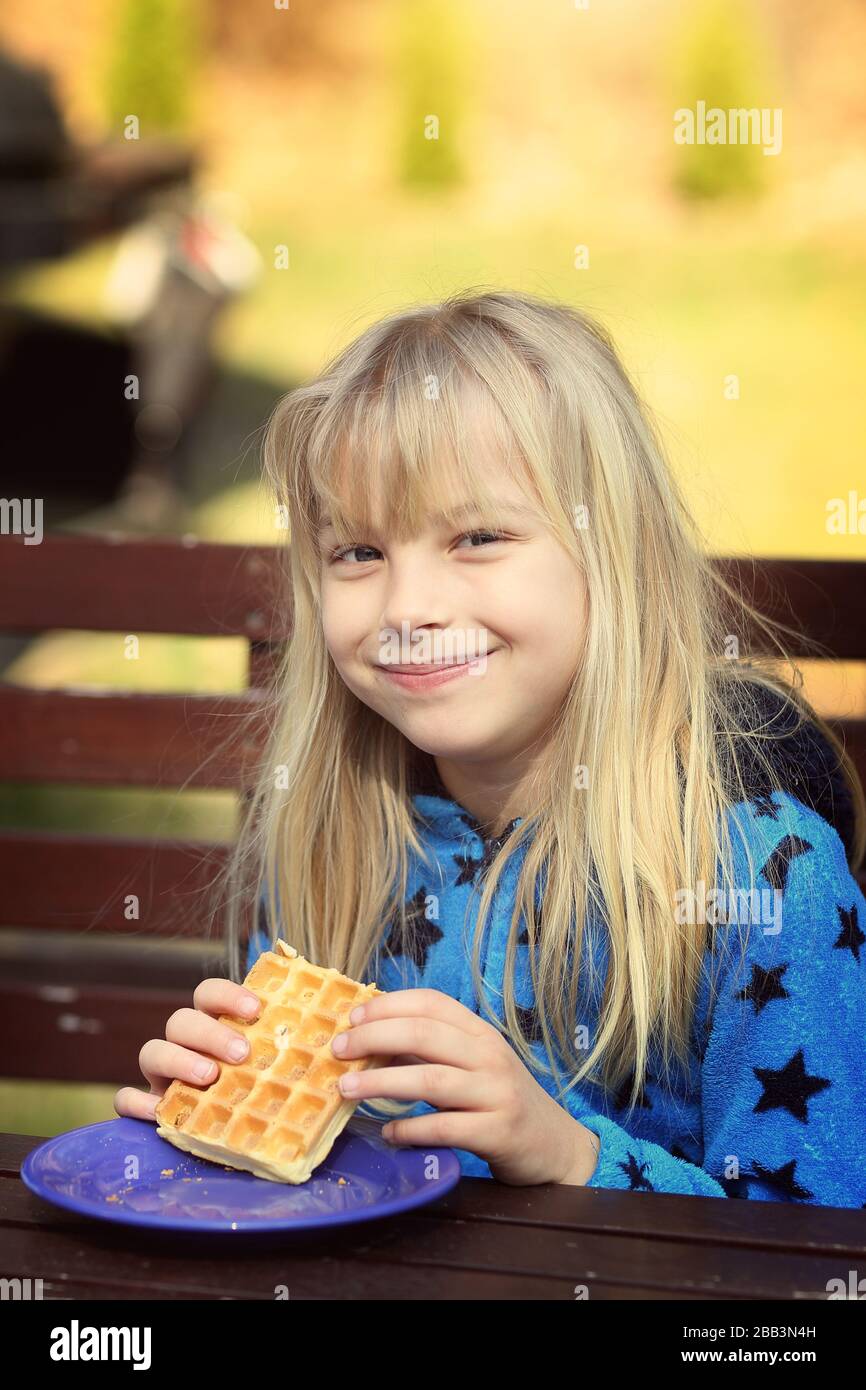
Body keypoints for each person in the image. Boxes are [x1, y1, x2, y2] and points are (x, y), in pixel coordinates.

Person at [115, 288, 866, 1204]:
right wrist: (211, 1138)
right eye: (356, 552)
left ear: (616, 556)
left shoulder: (765, 879)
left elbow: (806, 1266)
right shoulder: (333, 849)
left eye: (477, 537)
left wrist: (572, 1157)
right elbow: (330, 1186)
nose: (406, 609)